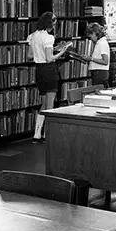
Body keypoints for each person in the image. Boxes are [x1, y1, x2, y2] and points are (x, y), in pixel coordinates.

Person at [27, 12, 71, 143]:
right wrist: (62, 51)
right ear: (49, 23)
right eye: (53, 23)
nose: (53, 26)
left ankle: (37, 134)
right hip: (49, 70)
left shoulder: (33, 36)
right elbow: (49, 58)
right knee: (50, 104)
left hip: (39, 70)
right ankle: (47, 134)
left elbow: (30, 55)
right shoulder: (48, 37)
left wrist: (52, 50)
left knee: (44, 103)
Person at [82, 22, 110, 87]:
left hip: (100, 73)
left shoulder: (102, 43)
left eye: (90, 36)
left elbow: (105, 61)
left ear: (94, 33)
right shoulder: (99, 43)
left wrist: (91, 58)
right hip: (98, 72)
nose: (91, 39)